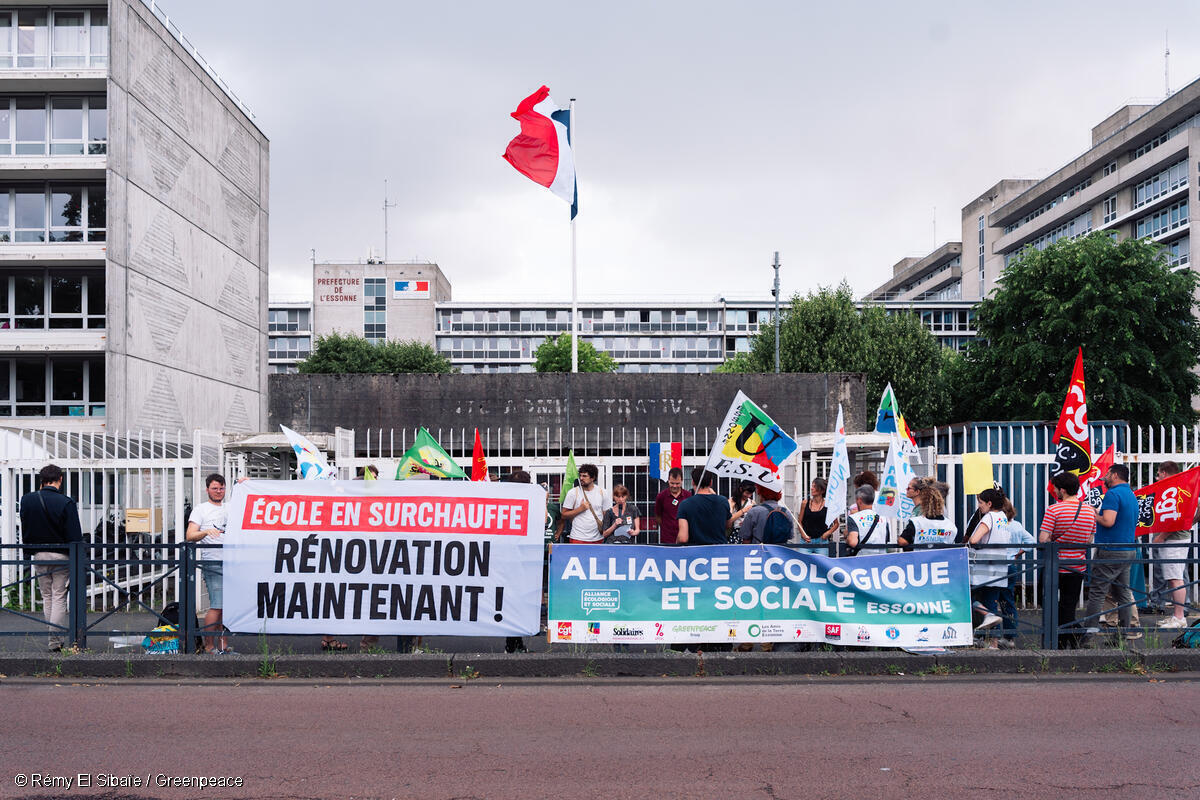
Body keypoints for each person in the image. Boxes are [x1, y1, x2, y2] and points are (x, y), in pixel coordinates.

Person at [19, 464, 83, 652]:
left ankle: (53, 638)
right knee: (59, 597)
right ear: (60, 479)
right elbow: (75, 535)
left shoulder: (27, 500)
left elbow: (25, 526)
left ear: (41, 480)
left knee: (47, 597)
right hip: (61, 556)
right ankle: (54, 641)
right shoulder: (66, 502)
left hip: (39, 554)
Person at [1039, 472, 1096, 648]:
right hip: (1077, 566)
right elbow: (1089, 541)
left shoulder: (1054, 510)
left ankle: (1070, 636)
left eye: (1056, 488)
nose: (1054, 491)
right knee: (1068, 605)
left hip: (1055, 566)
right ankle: (1069, 638)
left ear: (1062, 490)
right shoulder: (1089, 511)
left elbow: (1043, 539)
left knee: (1046, 601)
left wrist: (1056, 541)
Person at [1085, 464, 1140, 644]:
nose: (1105, 479)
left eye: (1107, 475)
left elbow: (1108, 521)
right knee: (1122, 593)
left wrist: (1095, 514)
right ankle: (1123, 635)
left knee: (1097, 592)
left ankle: (1088, 635)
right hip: (1128, 549)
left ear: (1115, 475)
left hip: (1110, 551)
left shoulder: (1112, 494)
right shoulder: (1131, 494)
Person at [186, 473, 232, 654]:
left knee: (227, 606)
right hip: (213, 561)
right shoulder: (200, 509)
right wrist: (206, 532)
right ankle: (209, 646)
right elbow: (190, 535)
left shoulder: (230, 507)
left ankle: (223, 645)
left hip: (231, 562)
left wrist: (246, 483)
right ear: (207, 490)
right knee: (217, 605)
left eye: (221, 488)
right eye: (215, 488)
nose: (219, 491)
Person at [1151, 461, 1196, 629]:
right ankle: (1177, 616)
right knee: (1173, 578)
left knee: (1176, 578)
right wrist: (1191, 521)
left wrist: (1161, 536)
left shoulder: (1173, 489)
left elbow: (1174, 517)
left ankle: (1179, 617)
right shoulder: (1181, 486)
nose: (1158, 475)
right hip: (1178, 537)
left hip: (1174, 538)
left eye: (1158, 472)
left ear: (1163, 472)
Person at [968, 487, 1011, 644]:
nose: (979, 506)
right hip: (1000, 566)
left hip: (983, 567)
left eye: (980, 503)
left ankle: (984, 618)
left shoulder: (989, 517)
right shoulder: (1003, 517)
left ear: (989, 503)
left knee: (968, 597)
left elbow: (974, 540)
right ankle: (993, 643)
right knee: (991, 602)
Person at [996, 498, 1035, 648]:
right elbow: (1031, 542)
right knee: (1008, 601)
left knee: (990, 599)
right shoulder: (1016, 526)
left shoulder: (995, 524)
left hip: (993, 565)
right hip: (1010, 565)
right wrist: (1017, 553)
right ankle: (1009, 637)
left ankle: (990, 636)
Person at [676, 467, 731, 545]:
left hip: (696, 552)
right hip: (720, 552)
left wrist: (676, 543)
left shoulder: (685, 504)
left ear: (693, 482)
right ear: (711, 483)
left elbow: (683, 538)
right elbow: (728, 524)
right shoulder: (723, 501)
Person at [897, 479, 957, 548]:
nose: (906, 490)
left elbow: (903, 541)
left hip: (919, 556)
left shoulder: (918, 521)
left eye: (909, 488)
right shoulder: (951, 526)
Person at [561, 464, 611, 544]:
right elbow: (563, 514)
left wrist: (605, 531)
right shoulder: (573, 492)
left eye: (584, 476)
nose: (581, 478)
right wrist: (580, 509)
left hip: (598, 538)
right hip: (577, 537)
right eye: (580, 475)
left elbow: (607, 515)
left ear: (593, 478)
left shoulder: (602, 492)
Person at [845, 485, 890, 555]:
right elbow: (886, 539)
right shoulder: (883, 518)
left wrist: (847, 537)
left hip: (862, 559)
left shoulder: (854, 518)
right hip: (881, 559)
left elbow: (852, 542)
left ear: (859, 500)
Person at [653, 467, 691, 545]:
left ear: (682, 481)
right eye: (672, 483)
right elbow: (658, 515)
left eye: (677, 483)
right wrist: (665, 527)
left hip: (685, 538)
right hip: (667, 539)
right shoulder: (661, 496)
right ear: (668, 480)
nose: (674, 486)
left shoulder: (688, 496)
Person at [798, 478, 838, 547]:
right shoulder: (805, 503)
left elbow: (836, 524)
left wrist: (828, 533)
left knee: (822, 558)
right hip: (806, 541)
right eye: (812, 486)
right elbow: (799, 521)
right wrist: (803, 534)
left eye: (815, 487)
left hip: (822, 542)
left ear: (822, 490)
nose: (812, 488)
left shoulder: (828, 505)